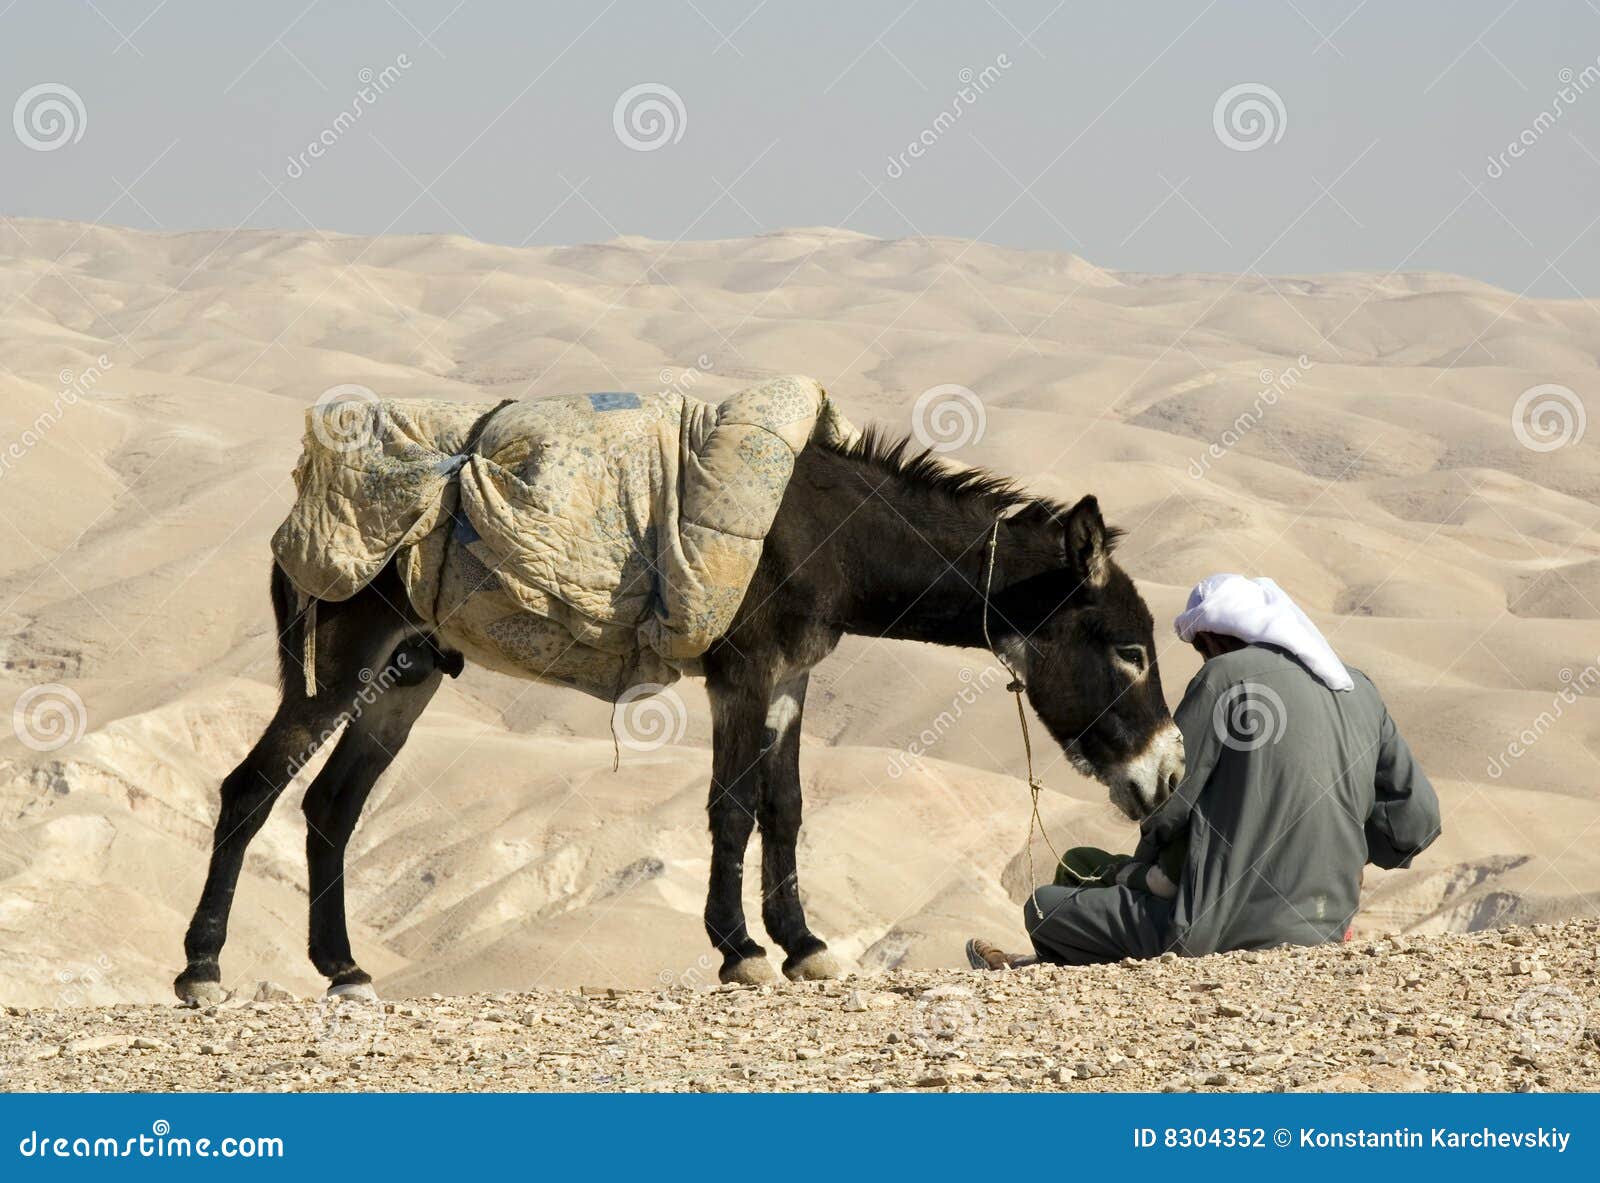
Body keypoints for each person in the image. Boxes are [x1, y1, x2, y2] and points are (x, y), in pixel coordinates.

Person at [966, 573, 1441, 971]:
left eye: (1201, 648)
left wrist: (1144, 871)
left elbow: (1168, 803)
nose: (1204, 658)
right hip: (1326, 926)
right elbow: (1415, 822)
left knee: (1045, 909)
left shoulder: (1224, 678)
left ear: (1213, 638)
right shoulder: (1357, 688)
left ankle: (1046, 966)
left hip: (1212, 928)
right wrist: (1346, 850)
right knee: (1087, 876)